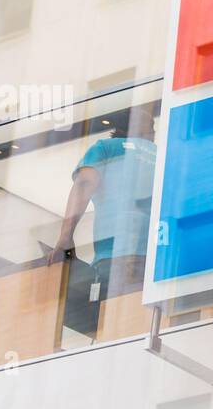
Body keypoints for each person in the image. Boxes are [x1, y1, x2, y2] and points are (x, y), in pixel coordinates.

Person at [48, 103, 158, 303]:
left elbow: (85, 184)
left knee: (109, 320)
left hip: (114, 257)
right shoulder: (163, 156)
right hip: (157, 258)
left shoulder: (106, 148)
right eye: (152, 127)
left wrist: (65, 237)